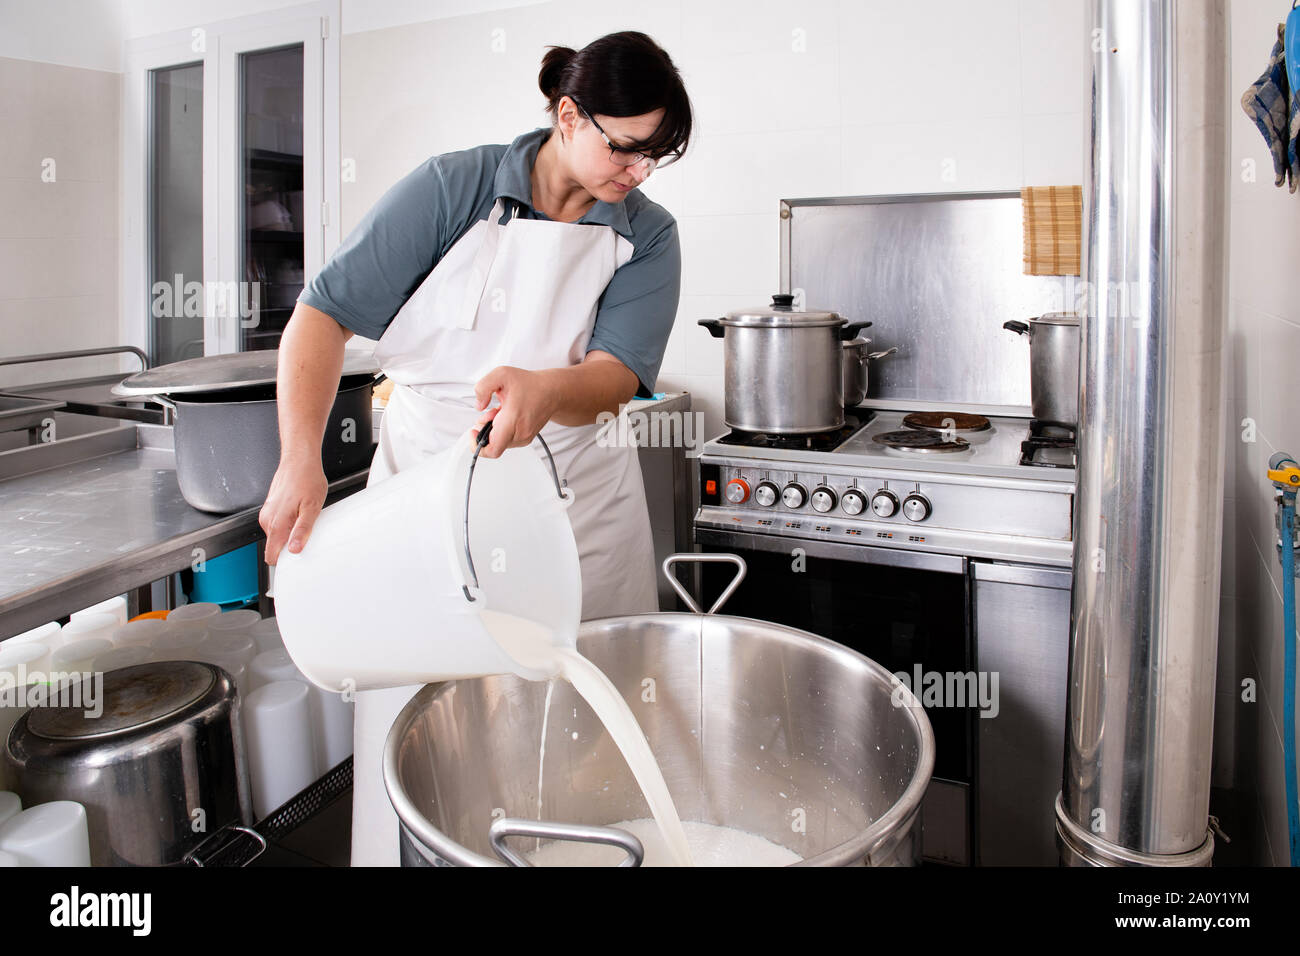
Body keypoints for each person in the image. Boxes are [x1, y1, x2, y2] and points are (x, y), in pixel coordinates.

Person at [258, 31, 692, 866]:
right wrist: (298, 457)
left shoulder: (649, 233)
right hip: (430, 496)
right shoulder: (452, 187)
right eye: (625, 147)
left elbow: (618, 372)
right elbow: (322, 313)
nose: (636, 173)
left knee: (577, 734)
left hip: (580, 511)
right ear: (569, 116)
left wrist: (543, 391)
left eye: (654, 155)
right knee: (429, 723)